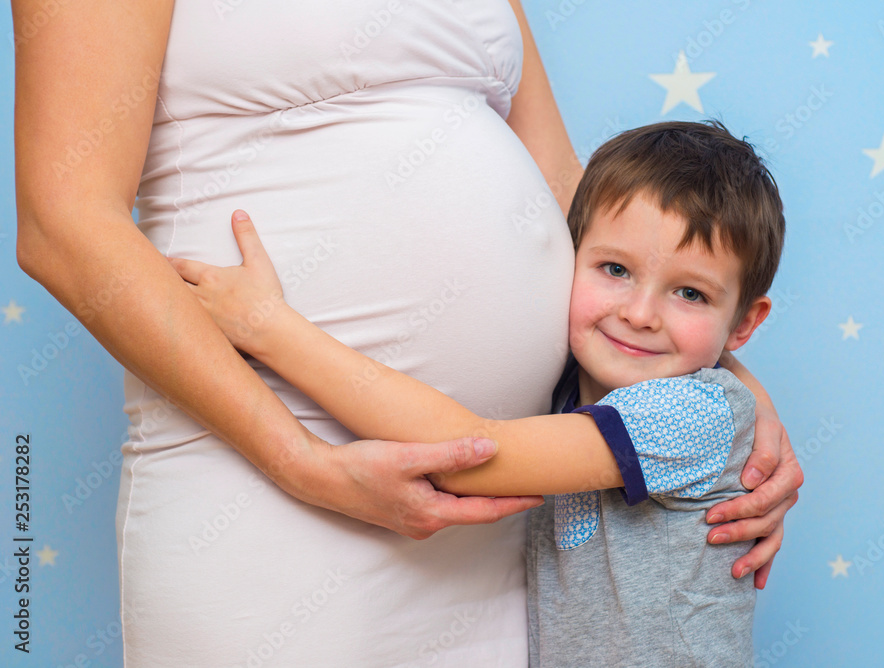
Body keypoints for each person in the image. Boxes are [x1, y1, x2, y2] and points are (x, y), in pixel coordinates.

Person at [13, 1, 801, 664]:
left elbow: (578, 200)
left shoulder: (690, 406)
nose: (641, 309)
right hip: (273, 462)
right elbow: (62, 224)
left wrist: (726, 390)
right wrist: (302, 459)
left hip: (501, 534)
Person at [168, 119, 784, 666]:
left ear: (747, 323)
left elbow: (469, 451)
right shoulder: (580, 383)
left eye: (690, 293)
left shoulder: (694, 412)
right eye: (615, 270)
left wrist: (270, 329)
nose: (640, 314)